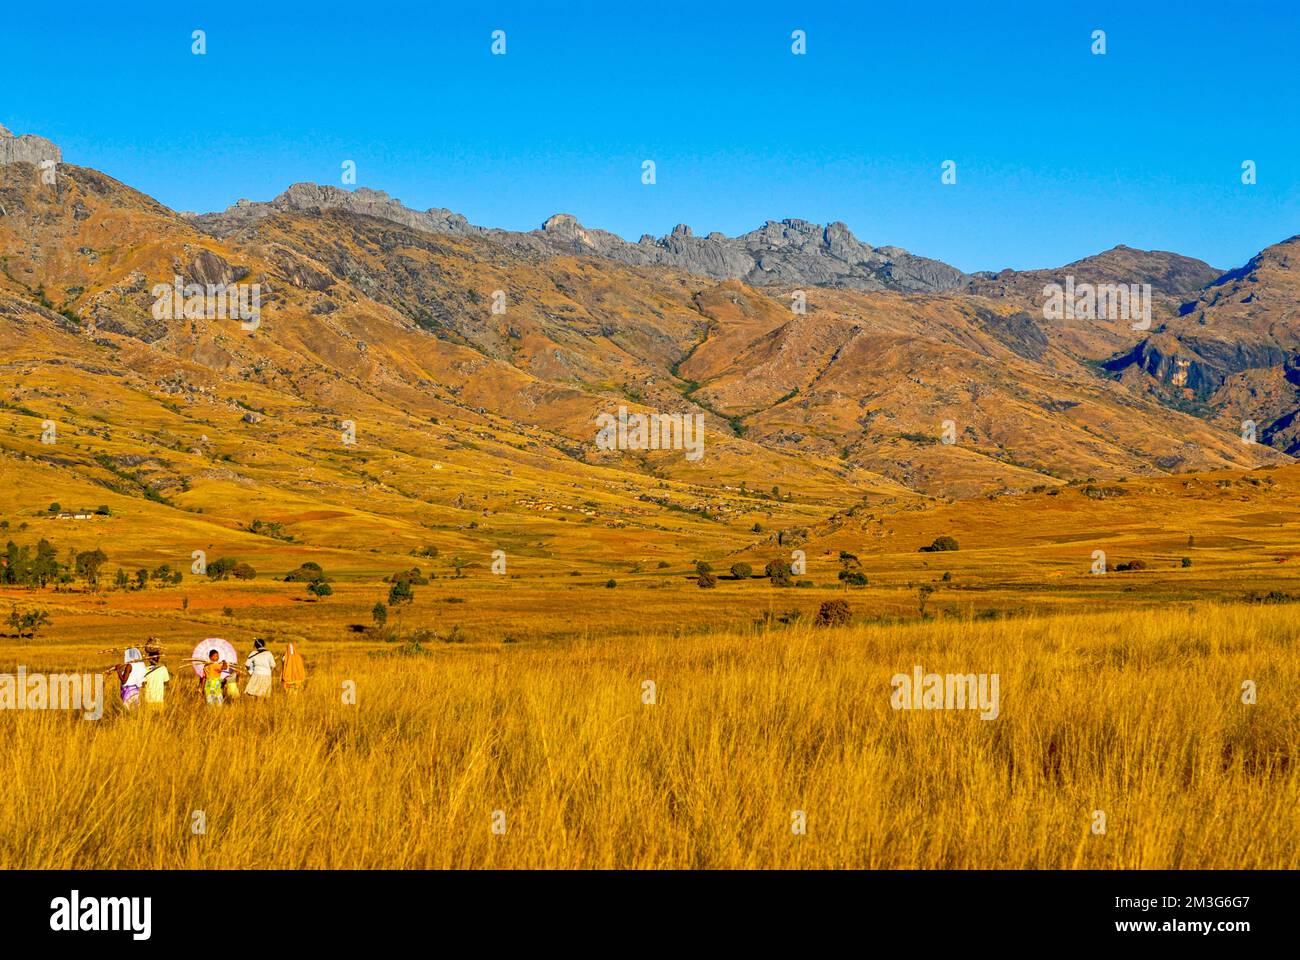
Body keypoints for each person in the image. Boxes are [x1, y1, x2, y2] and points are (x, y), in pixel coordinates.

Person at [141, 639, 170, 708]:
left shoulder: (145, 670)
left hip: (148, 699)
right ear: (158, 658)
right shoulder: (163, 669)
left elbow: (143, 685)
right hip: (159, 699)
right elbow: (167, 684)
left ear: (148, 659)